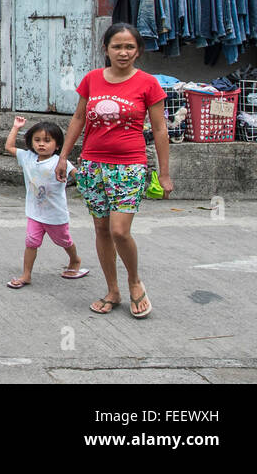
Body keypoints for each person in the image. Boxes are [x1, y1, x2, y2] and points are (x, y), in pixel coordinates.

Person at [58, 22, 172, 318]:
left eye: (129, 47)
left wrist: (164, 172)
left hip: (130, 166)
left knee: (120, 231)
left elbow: (160, 130)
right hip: (93, 165)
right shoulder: (92, 79)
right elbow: (79, 119)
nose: (123, 52)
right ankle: (113, 289)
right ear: (106, 49)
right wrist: (63, 156)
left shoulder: (148, 83)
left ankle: (134, 282)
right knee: (100, 228)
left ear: (138, 51)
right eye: (117, 47)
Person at [4, 116, 87, 288]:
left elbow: (78, 177)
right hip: (34, 213)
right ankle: (26, 275)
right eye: (37, 140)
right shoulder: (27, 157)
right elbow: (9, 147)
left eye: (47, 141)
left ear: (57, 145)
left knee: (64, 241)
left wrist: (84, 170)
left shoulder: (60, 161)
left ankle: (75, 259)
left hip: (55, 215)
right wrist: (16, 127)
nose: (41, 144)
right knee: (31, 242)